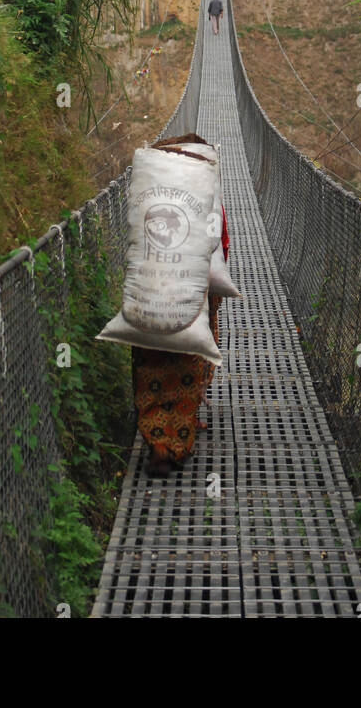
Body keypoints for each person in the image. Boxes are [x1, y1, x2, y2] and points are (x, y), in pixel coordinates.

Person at [132, 134, 230, 477]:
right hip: (191, 300)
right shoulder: (204, 195)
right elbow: (220, 247)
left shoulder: (147, 197)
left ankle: (157, 443)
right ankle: (176, 443)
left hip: (149, 296)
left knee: (150, 369)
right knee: (186, 370)